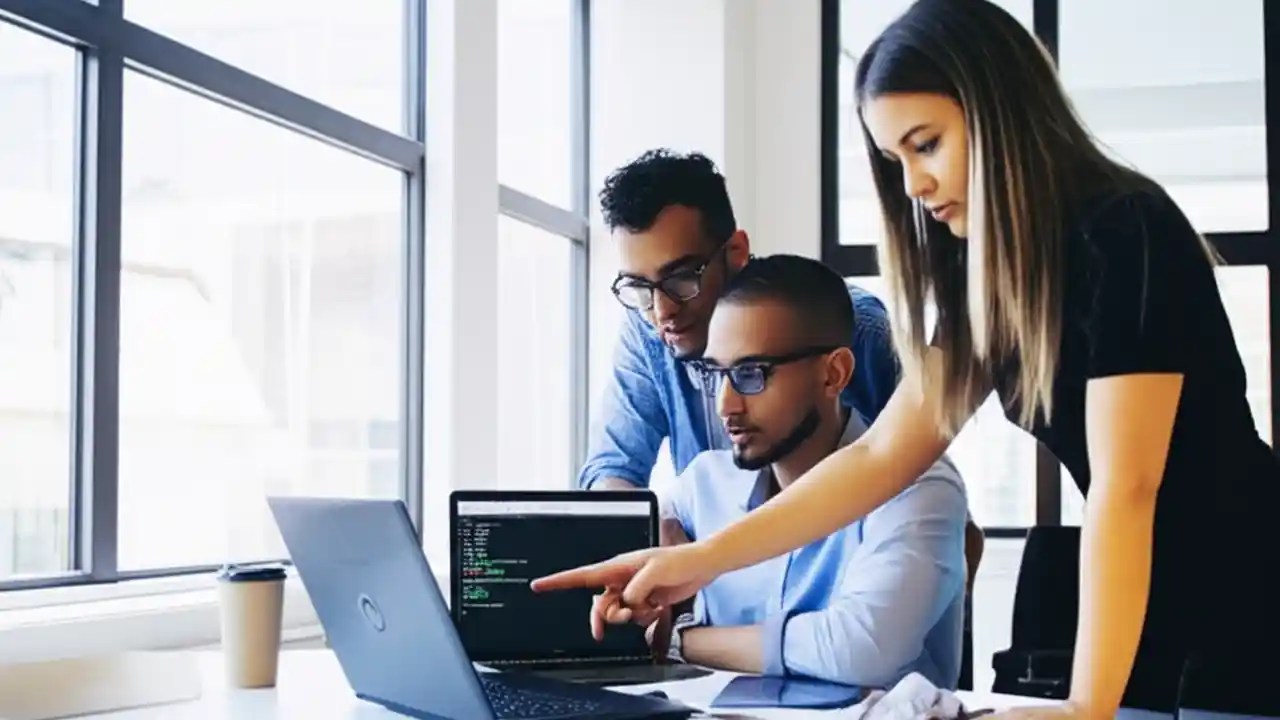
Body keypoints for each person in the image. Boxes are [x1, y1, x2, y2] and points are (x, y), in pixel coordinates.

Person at [534, 1, 1280, 716]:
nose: (914, 184)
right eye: (896, 159)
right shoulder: (985, 269)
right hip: (1158, 587)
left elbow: (1129, 487)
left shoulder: (1123, 231)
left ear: (1000, 112)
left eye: (927, 144)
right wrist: (689, 565)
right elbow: (880, 456)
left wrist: (1085, 707)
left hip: (1249, 582)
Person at [646, 254, 967, 689]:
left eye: (751, 374)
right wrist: (655, 529)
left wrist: (683, 640)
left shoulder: (921, 486)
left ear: (834, 374)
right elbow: (636, 547)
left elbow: (859, 650)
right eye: (716, 373)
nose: (725, 405)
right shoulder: (703, 484)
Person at [579, 149, 900, 496]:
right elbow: (611, 470)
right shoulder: (647, 331)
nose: (662, 311)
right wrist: (657, 527)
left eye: (682, 278)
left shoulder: (857, 329)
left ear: (735, 252)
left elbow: (917, 483)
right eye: (640, 287)